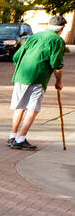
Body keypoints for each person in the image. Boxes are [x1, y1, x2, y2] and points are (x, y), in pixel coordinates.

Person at [8, 15, 66, 150]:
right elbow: (57, 65)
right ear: (62, 28)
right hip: (38, 77)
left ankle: (13, 135)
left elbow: (16, 56)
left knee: (20, 106)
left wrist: (21, 69)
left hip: (21, 75)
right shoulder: (57, 40)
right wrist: (59, 82)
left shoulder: (34, 36)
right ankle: (20, 139)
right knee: (33, 108)